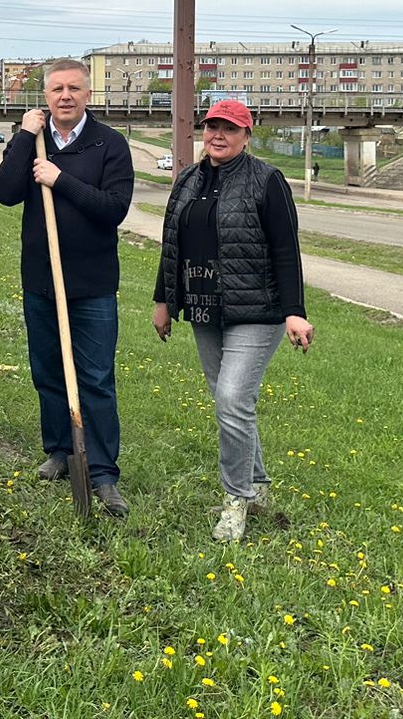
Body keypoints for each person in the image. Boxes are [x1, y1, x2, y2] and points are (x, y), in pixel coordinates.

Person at [152, 98, 314, 542]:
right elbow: (172, 243)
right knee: (231, 405)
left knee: (230, 400)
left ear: (247, 134)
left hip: (257, 311)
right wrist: (164, 299)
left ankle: (235, 500)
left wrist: (294, 312)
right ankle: (258, 486)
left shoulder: (267, 180)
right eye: (211, 127)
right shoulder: (187, 179)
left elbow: (286, 249)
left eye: (229, 128)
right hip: (205, 307)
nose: (217, 136)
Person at [0, 58, 134, 517]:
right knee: (48, 372)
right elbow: (5, 193)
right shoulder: (33, 141)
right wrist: (20, 140)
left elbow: (114, 208)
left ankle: (104, 473)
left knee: (95, 378)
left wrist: (60, 179)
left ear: (88, 93)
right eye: (56, 89)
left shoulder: (109, 144)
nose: (65, 96)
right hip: (41, 281)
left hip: (92, 285)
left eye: (74, 88)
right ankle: (59, 451)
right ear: (46, 96)